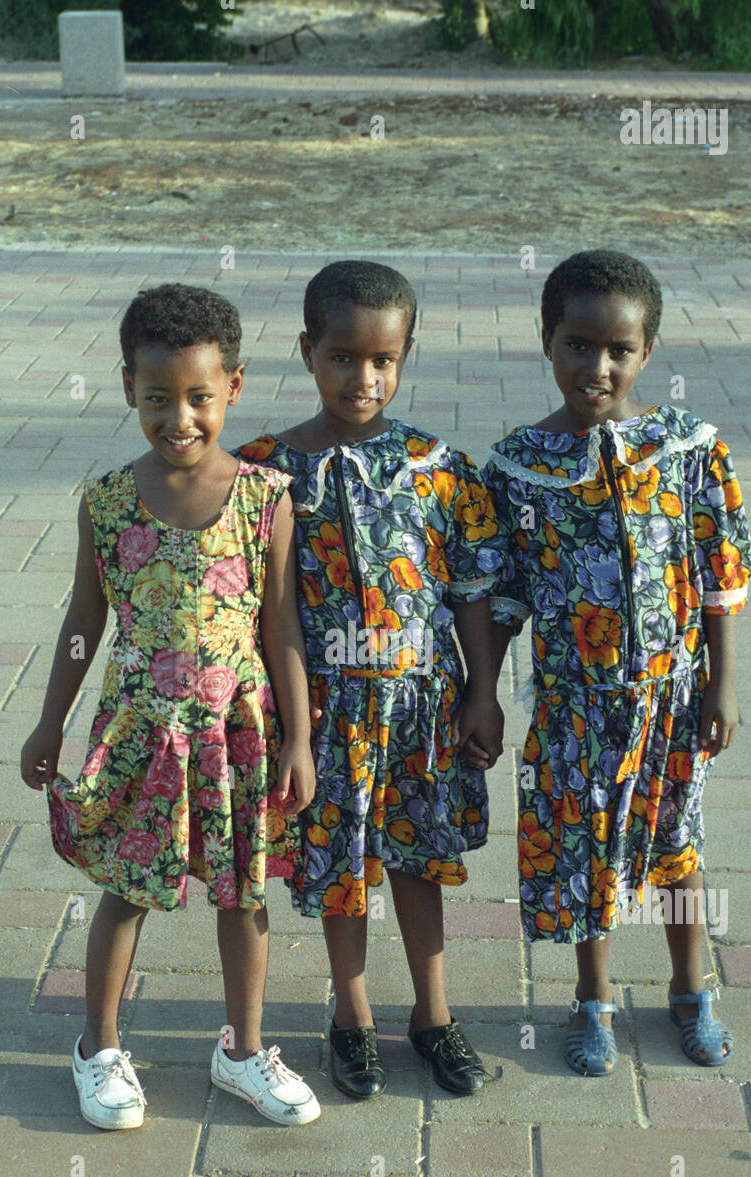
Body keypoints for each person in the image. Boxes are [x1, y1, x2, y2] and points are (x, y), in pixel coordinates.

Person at [19, 283, 320, 1129]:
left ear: (232, 386)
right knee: (127, 889)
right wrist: (51, 721)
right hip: (141, 734)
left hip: (240, 732)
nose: (178, 417)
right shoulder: (109, 501)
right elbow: (84, 623)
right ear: (127, 389)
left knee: (244, 895)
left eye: (197, 397)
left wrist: (298, 738)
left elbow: (283, 624)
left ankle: (243, 1052)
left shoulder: (267, 497)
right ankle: (100, 1049)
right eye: (157, 399)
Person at [238, 260, 505, 1098]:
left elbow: (471, 590)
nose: (364, 377)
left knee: (420, 861)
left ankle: (432, 1015)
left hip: (423, 710)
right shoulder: (264, 471)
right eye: (343, 357)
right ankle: (350, 1018)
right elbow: (253, 608)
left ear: (406, 355)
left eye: (383, 360)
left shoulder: (439, 469)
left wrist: (482, 690)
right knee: (343, 865)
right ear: (307, 351)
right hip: (324, 718)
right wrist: (282, 727)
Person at [485, 249, 751, 1076]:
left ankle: (689, 988)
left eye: (617, 350)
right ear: (546, 339)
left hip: (671, 701)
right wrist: (480, 695)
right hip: (574, 705)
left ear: (647, 353)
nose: (595, 367)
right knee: (583, 851)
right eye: (576, 344)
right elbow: (503, 596)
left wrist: (721, 680)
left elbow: (719, 574)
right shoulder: (518, 465)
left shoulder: (686, 449)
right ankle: (592, 999)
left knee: (678, 846)